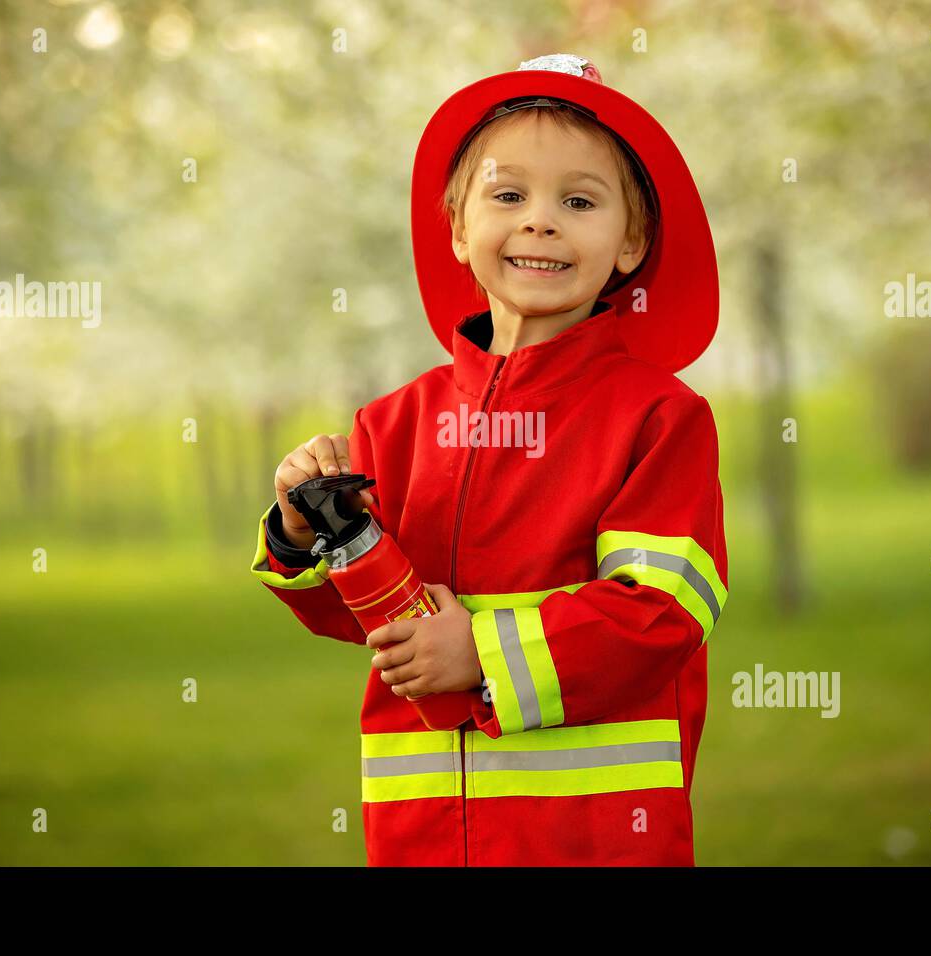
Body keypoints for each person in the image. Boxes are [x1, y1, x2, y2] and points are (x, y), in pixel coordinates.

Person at [251, 53, 728, 866]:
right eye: (508, 196)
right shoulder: (392, 423)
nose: (540, 221)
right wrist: (301, 530)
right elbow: (364, 615)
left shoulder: (657, 419)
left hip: (594, 839)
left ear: (631, 242)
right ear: (459, 230)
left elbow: (660, 612)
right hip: (422, 837)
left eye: (579, 201)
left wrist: (481, 652)